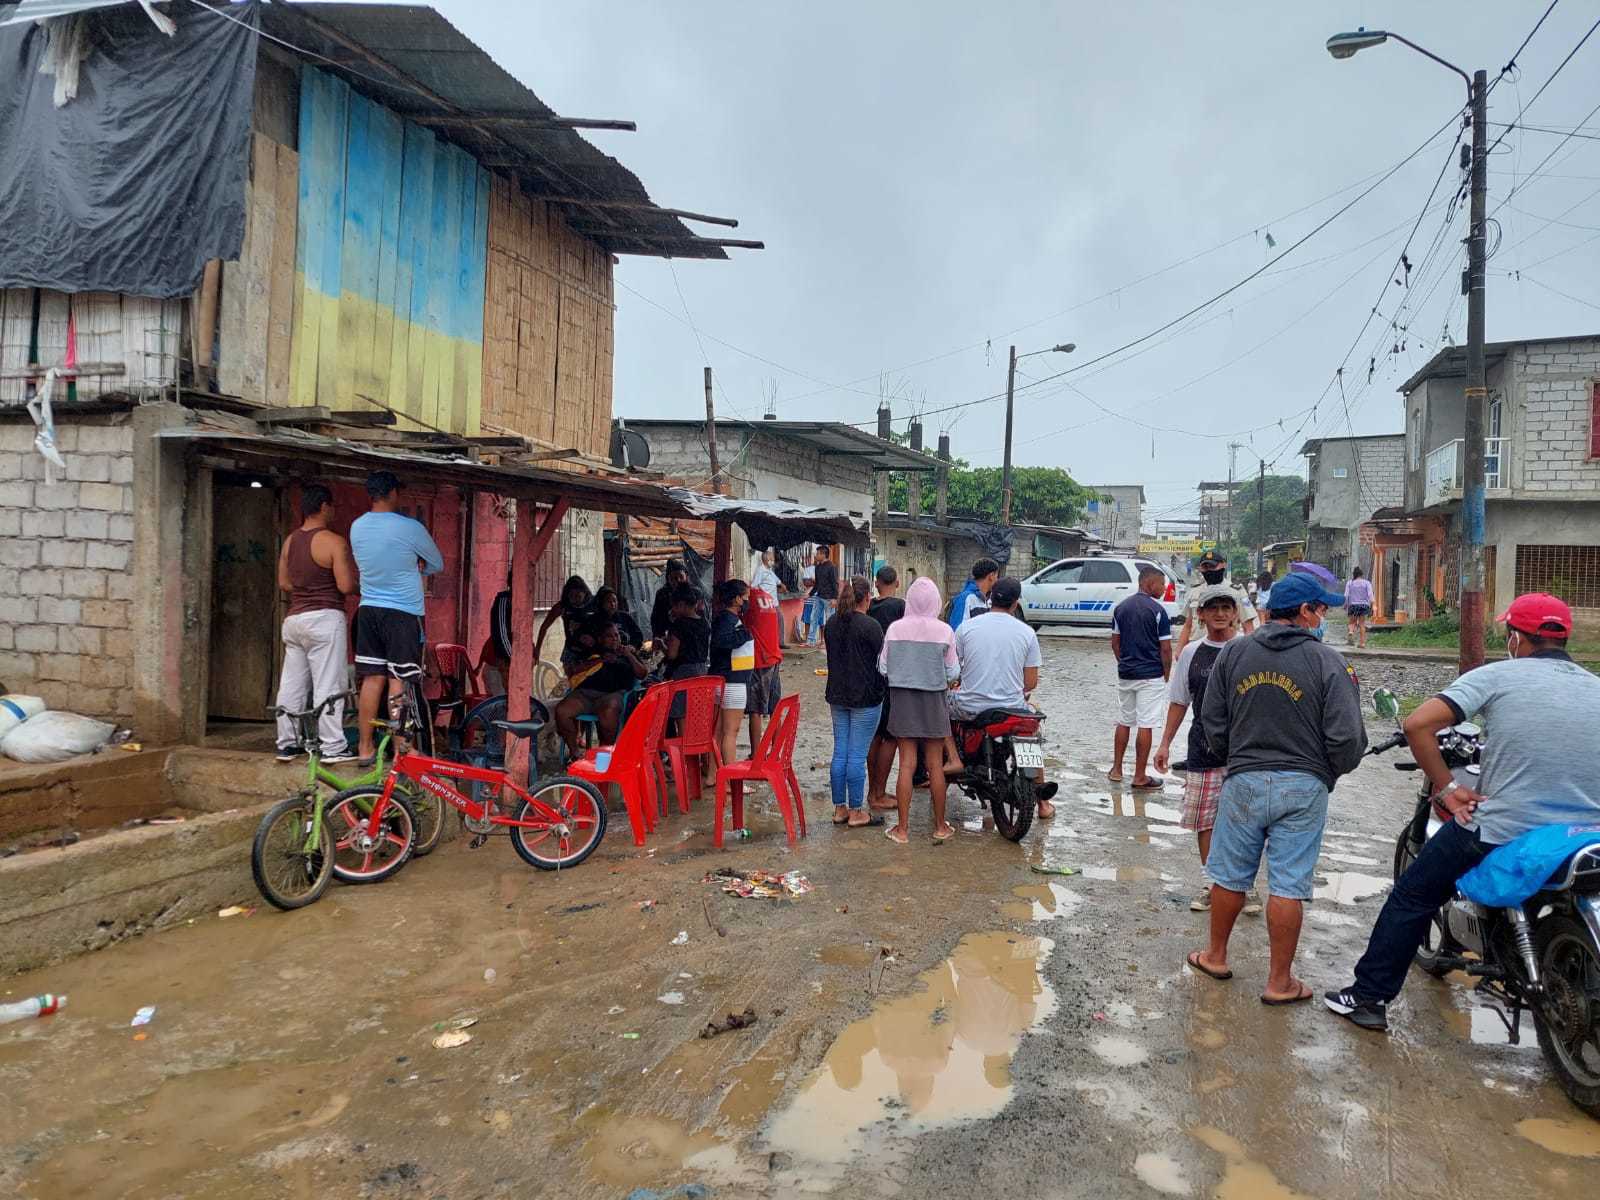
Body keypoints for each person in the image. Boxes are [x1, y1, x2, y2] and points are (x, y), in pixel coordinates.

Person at [1326, 593, 1600, 1031]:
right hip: (1585, 835)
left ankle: (1367, 998)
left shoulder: (1497, 676)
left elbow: (1417, 724)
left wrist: (1449, 788)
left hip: (1505, 828)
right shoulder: (1594, 685)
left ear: (1515, 638)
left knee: (1413, 895)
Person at [1187, 572, 1366, 1005]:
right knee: (1287, 884)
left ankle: (1215, 956)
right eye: (1320, 609)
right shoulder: (1329, 662)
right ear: (1304, 612)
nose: (1322, 617)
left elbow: (1211, 718)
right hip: (1303, 786)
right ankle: (1279, 982)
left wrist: (1235, 756)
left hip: (1244, 781)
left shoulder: (1235, 653)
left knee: (1228, 875)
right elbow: (1347, 738)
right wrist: (1326, 773)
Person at [1153, 585, 1243, 912]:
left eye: (1226, 607)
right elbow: (1180, 701)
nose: (1220, 613)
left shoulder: (1247, 649)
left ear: (1235, 613)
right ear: (1201, 614)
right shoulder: (1191, 653)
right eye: (1212, 608)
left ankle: (1242, 885)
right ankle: (1212, 883)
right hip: (1203, 750)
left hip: (1244, 753)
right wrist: (1164, 743)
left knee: (1243, 822)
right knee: (1205, 821)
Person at [349, 471, 444, 764]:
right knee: (398, 680)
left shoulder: (357, 526)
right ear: (392, 493)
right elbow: (436, 563)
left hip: (368, 610)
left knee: (371, 679)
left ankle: (365, 747)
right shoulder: (410, 527)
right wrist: (417, 568)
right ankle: (402, 746)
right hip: (402, 613)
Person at [949, 577, 1060, 818]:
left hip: (970, 708)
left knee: (942, 711)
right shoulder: (1027, 633)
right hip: (1011, 709)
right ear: (1015, 603)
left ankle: (944, 767)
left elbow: (954, 671)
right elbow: (1030, 683)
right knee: (1031, 729)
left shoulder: (966, 628)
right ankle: (1042, 804)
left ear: (990, 598)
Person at [274, 483, 358, 763]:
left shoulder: (290, 541)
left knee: (292, 685)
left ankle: (287, 743)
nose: (333, 511)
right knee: (328, 684)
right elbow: (345, 586)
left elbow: (284, 583)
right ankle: (333, 747)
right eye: (331, 506)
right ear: (324, 506)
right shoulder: (333, 542)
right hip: (324, 617)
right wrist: (361, 587)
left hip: (294, 619)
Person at [879, 576, 960, 844]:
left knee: (906, 763)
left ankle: (902, 830)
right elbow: (953, 672)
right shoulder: (945, 631)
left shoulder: (895, 629)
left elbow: (883, 667)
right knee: (935, 764)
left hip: (902, 701)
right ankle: (940, 826)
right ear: (936, 601)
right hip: (934, 701)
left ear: (909, 600)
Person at [824, 575, 887, 828]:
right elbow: (883, 662)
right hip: (865, 698)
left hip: (837, 695)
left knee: (840, 752)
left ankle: (840, 808)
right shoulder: (871, 626)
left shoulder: (831, 623)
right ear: (867, 598)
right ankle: (857, 811)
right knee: (857, 755)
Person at [1108, 566, 1172, 788]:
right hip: (1150, 676)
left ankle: (1117, 770)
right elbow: (1166, 649)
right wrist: (1166, 673)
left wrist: (1124, 663)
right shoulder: (1158, 611)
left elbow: (1115, 643)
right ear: (1150, 583)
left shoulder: (1120, 608)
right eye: (1162, 584)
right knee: (1146, 724)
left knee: (1124, 720)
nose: (1164, 589)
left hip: (1126, 674)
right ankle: (1139, 776)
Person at [553, 616, 649, 760]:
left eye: (616, 635)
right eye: (609, 636)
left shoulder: (627, 653)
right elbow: (574, 670)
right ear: (600, 639)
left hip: (612, 694)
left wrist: (629, 655)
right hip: (585, 694)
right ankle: (575, 753)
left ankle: (604, 754)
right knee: (562, 711)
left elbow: (643, 674)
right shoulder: (592, 651)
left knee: (609, 711)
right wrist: (601, 659)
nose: (615, 639)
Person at [866, 565, 907, 811]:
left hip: (871, 677)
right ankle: (878, 793)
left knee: (875, 735)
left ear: (876, 583)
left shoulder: (868, 606)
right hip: (894, 677)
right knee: (890, 737)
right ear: (897, 583)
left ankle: (873, 790)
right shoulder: (901, 608)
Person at [709, 579, 756, 765]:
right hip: (732, 683)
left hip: (727, 681)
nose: (747, 601)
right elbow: (723, 641)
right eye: (746, 597)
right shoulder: (727, 620)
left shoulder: (725, 619)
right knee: (730, 732)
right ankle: (729, 777)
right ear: (737, 599)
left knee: (719, 732)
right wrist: (745, 634)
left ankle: (714, 775)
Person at [1175, 549, 1257, 652]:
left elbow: (1248, 628)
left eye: (1213, 566)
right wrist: (1179, 649)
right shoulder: (1194, 592)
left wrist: (1249, 652)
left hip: (1227, 650)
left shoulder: (1237, 591)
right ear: (1200, 568)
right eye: (1205, 567)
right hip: (1198, 649)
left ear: (1223, 565)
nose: (1209, 570)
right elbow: (1188, 625)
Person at [745, 568, 784, 748]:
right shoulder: (767, 598)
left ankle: (755, 753)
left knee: (755, 709)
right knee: (774, 708)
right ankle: (776, 751)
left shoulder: (749, 601)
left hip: (760, 659)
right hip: (774, 657)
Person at [534, 575, 595, 668]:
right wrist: (537, 649)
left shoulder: (594, 604)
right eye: (572, 596)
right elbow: (544, 627)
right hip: (571, 653)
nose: (575, 600)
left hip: (592, 652)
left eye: (578, 596)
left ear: (585, 592)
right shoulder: (562, 606)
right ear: (567, 595)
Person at [948, 557, 1000, 631]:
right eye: (996, 577)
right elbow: (957, 631)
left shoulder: (989, 600)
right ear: (991, 576)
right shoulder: (965, 598)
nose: (997, 581)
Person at [805, 546, 839, 647]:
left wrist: (835, 598)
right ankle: (811, 641)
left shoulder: (832, 567)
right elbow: (817, 584)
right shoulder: (818, 567)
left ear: (823, 554)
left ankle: (829, 642)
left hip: (829, 598)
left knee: (830, 621)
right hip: (819, 597)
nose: (816, 555)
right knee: (813, 618)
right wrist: (810, 594)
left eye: (818, 553)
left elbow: (835, 583)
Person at [651, 560, 691, 641]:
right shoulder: (662, 594)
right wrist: (659, 637)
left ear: (686, 576)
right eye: (673, 578)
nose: (678, 581)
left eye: (681, 577)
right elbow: (656, 619)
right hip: (668, 636)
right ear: (668, 579)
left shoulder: (693, 593)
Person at [1344, 567, 1374, 649]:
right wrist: (1373, 604)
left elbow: (1346, 595)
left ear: (1354, 574)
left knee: (1352, 622)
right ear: (1361, 574)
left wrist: (1345, 604)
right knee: (1362, 624)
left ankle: (1351, 632)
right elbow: (1370, 594)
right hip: (1364, 606)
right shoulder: (1366, 583)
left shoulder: (1350, 583)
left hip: (1353, 605)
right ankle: (1362, 643)